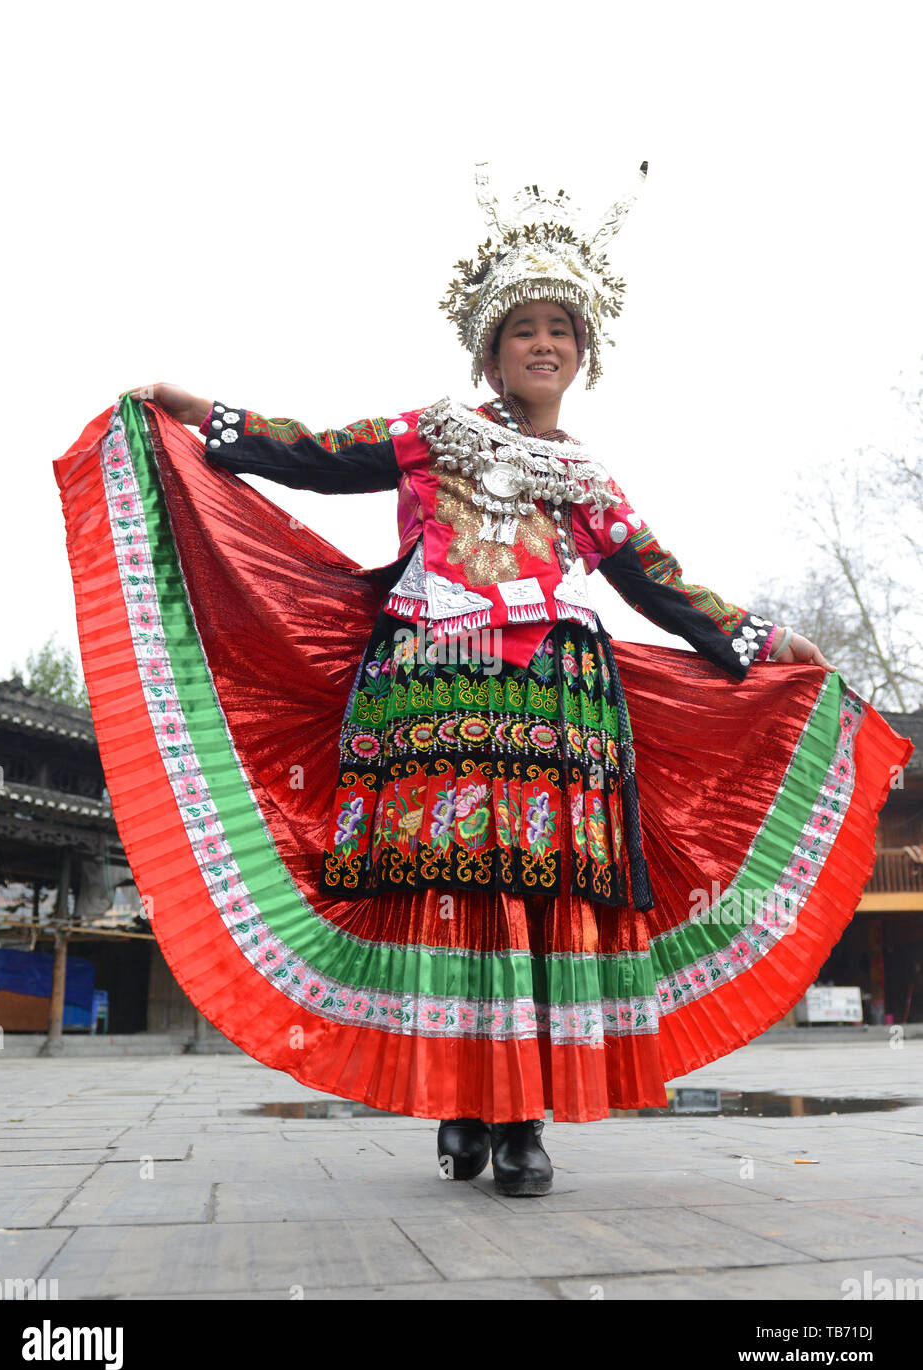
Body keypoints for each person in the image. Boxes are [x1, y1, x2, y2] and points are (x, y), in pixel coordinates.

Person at [57, 162, 912, 1200]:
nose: (543, 342)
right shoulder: (432, 435)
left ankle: (523, 1118)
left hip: (557, 713)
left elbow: (661, 584)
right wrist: (206, 415)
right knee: (457, 896)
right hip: (437, 704)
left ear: (582, 352)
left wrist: (764, 644)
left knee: (541, 902)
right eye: (523, 328)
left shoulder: (586, 481)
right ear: (492, 348)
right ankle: (463, 1097)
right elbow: (318, 454)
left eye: (562, 327)